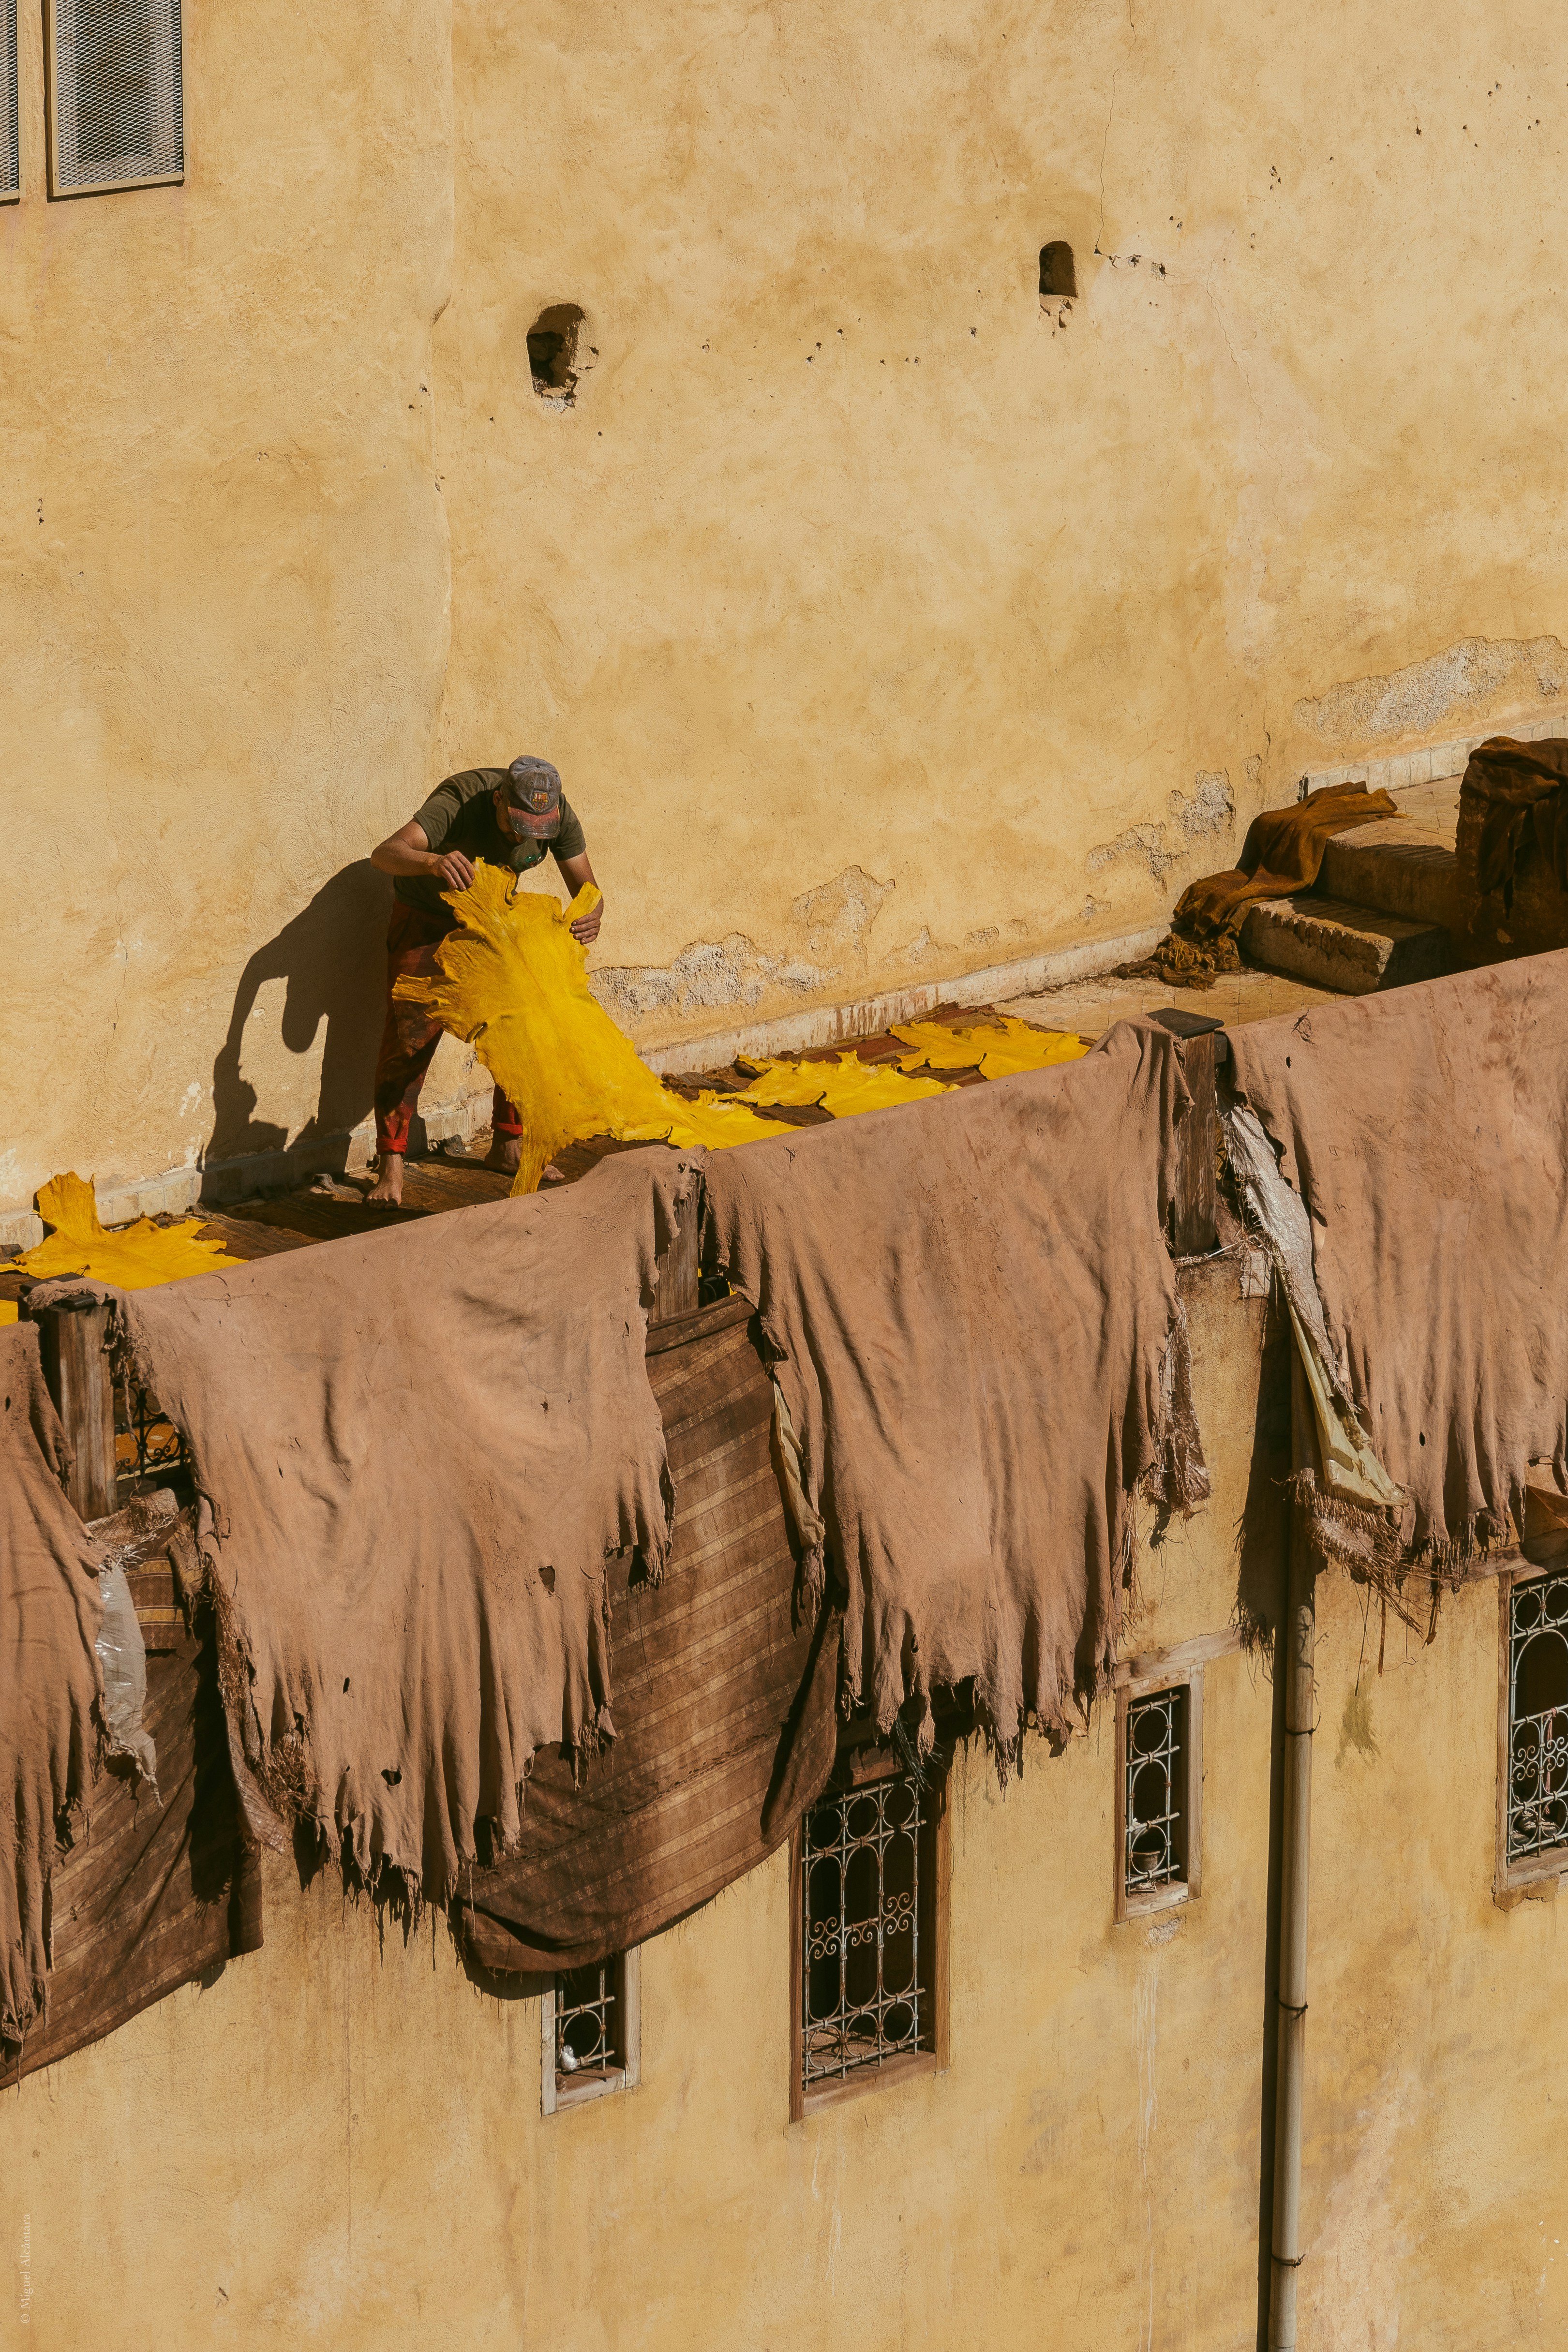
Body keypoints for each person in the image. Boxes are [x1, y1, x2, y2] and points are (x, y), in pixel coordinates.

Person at [365, 757, 603, 1205]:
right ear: (498, 800)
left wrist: (591, 916)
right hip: (426, 919)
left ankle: (508, 1145)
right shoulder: (458, 800)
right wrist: (432, 862)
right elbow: (384, 855)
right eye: (515, 825)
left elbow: (588, 891)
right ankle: (391, 1163)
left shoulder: (557, 813)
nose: (523, 837)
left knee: (520, 1026)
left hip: (491, 920)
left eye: (536, 831)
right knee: (410, 1039)